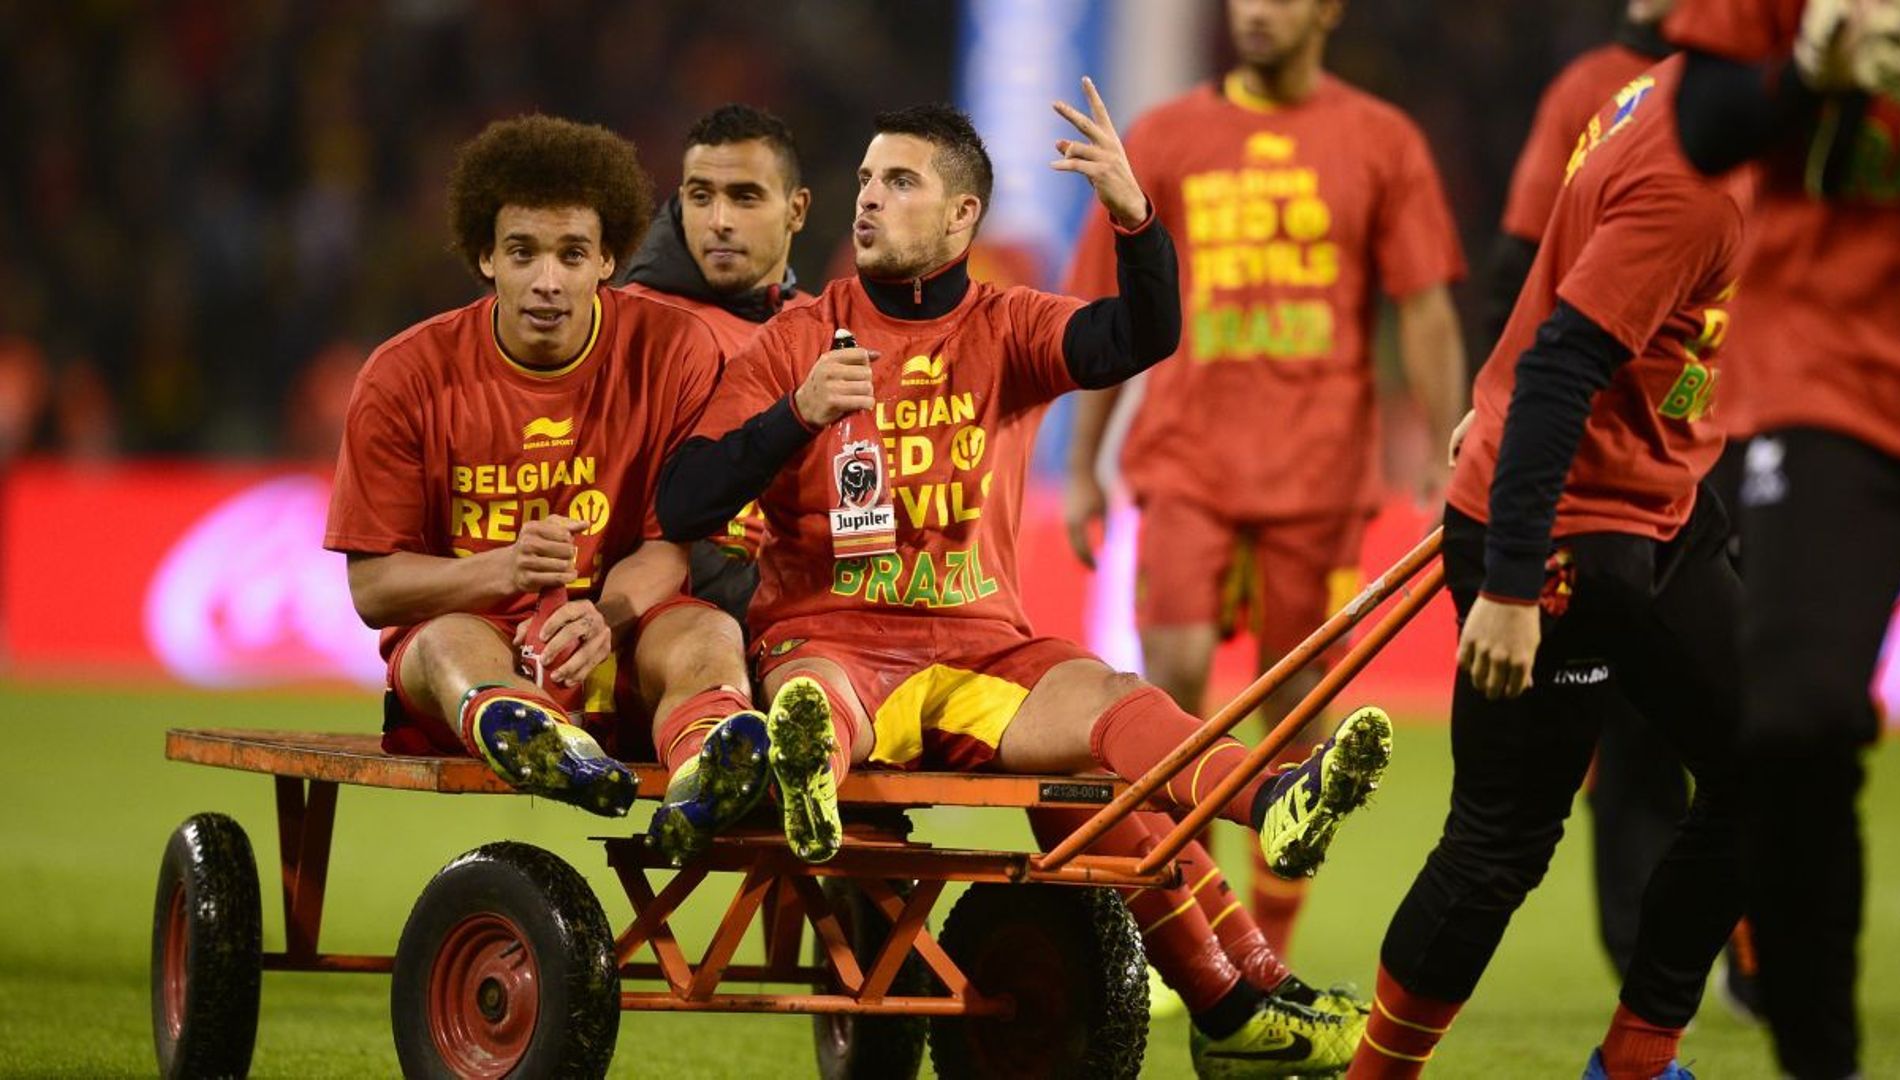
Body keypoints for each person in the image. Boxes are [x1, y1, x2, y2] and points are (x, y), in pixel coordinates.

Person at [655, 87, 1392, 1075]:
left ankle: (1276, 802)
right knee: (810, 706)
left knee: (1114, 700)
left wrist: (1136, 219)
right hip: (834, 645)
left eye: (900, 182)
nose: (867, 199)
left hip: (980, 652)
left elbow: (1141, 336)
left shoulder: (1008, 329)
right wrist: (795, 413)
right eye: (866, 180)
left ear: (963, 217)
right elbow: (684, 499)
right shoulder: (798, 337)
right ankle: (813, 795)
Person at [1344, 55, 1754, 1079]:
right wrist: (1514, 584)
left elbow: (1567, 278)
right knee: (1502, 843)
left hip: (1653, 504)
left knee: (1773, 762)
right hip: (1565, 527)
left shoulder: (1670, 95)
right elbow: (1567, 359)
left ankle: (1636, 1061)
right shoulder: (1691, 182)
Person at [1059, 0, 1467, 960]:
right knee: (1177, 683)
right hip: (1187, 461)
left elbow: (1428, 312)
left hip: (1320, 474)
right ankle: (1178, 942)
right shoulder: (1165, 137)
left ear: (1327, 12)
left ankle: (1265, 945)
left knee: (1300, 717)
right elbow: (1102, 312)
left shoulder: (1381, 141)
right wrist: (1081, 465)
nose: (1253, 12)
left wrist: (1451, 458)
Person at [323, 114, 760, 819]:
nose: (547, 281)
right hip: (469, 642)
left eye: (572, 254)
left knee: (709, 633)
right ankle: (534, 735)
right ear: (485, 257)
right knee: (447, 642)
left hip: (613, 640)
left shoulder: (676, 352)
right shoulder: (402, 375)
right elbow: (374, 587)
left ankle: (707, 771)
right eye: (523, 253)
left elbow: (667, 544)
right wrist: (502, 570)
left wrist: (606, 617)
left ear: (609, 259)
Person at [1664, 2, 1900, 1075]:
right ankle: (1823, 1062)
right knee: (1793, 726)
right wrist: (1810, 67)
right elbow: (1709, 123)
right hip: (1833, 376)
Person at [620, 103, 813, 632]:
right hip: (684, 619)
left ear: (797, 210)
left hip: (798, 603)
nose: (719, 221)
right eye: (701, 196)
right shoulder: (634, 328)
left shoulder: (826, 325)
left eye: (745, 197)